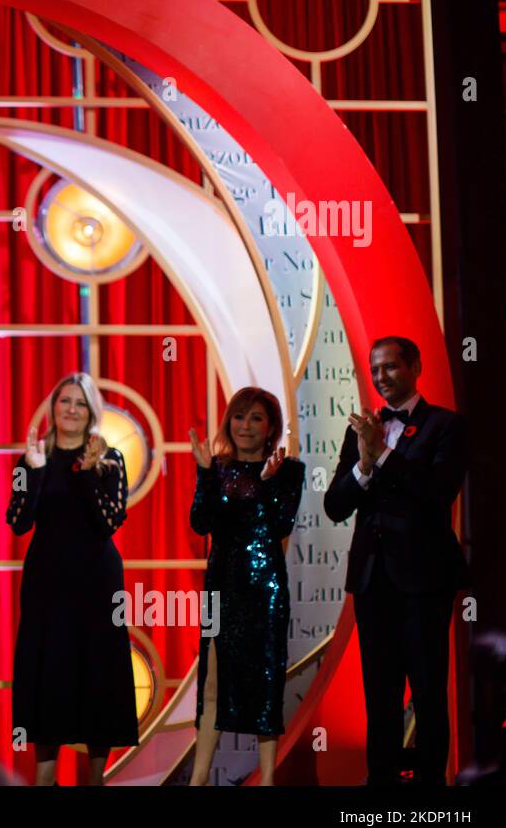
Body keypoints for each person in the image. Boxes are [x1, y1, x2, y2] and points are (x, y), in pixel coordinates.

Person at [323, 336, 467, 786]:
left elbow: (437, 492)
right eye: (375, 370)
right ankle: (380, 785)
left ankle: (430, 788)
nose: (382, 378)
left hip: (423, 579)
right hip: (371, 578)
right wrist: (363, 466)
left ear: (415, 366)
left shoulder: (445, 425)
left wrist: (382, 454)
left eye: (390, 367)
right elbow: (335, 506)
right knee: (379, 695)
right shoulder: (362, 428)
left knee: (426, 692)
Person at [6, 372, 137, 786]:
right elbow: (17, 522)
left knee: (98, 673)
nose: (72, 410)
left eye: (80, 404)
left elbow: (108, 523)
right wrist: (37, 471)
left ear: (91, 412)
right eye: (65, 401)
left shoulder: (110, 459)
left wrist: (86, 472)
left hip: (97, 584)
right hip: (47, 584)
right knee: (48, 673)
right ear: (53, 407)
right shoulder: (30, 458)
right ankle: (45, 776)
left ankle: (95, 777)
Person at [188, 386, 303, 786]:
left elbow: (279, 525)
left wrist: (267, 482)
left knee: (266, 682)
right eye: (239, 416)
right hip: (223, 587)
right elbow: (203, 522)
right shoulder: (217, 468)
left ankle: (267, 779)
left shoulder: (289, 471)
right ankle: (198, 780)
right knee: (214, 684)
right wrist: (205, 475)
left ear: (271, 427)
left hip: (265, 590)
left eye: (256, 418)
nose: (245, 426)